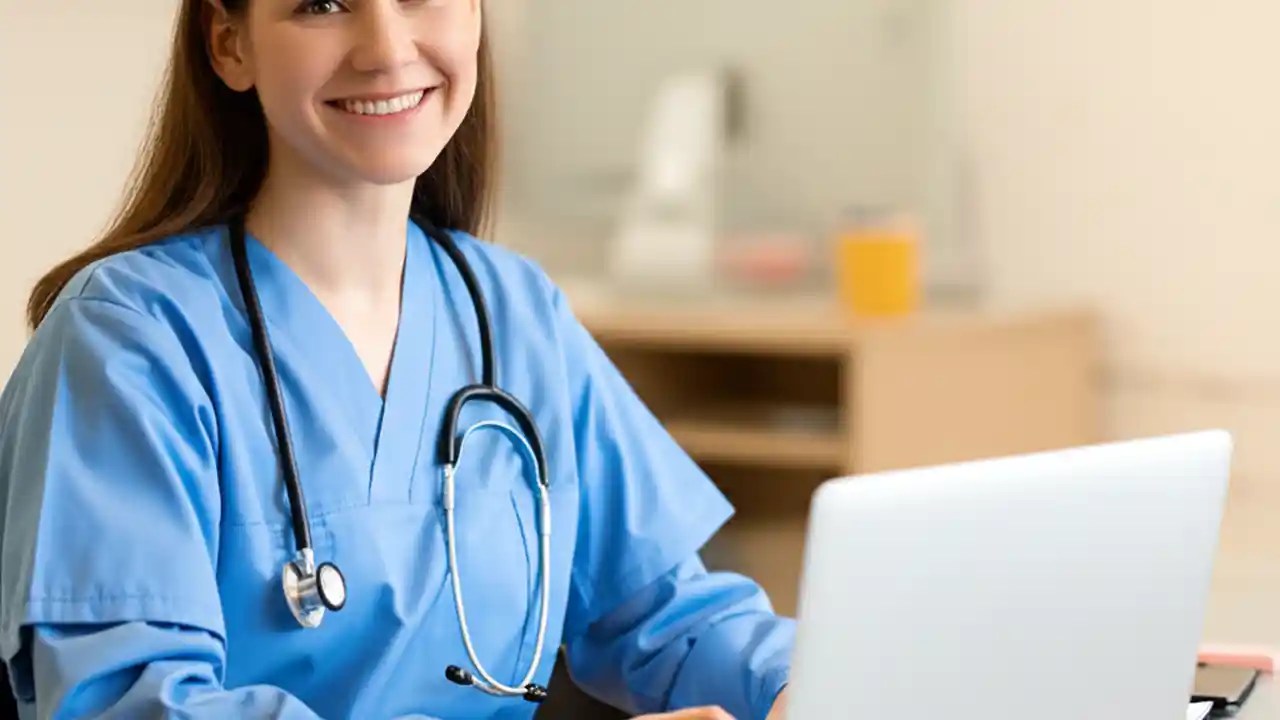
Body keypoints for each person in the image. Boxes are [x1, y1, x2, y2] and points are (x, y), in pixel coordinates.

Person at [0, 1, 794, 718]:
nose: (385, 47)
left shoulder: (516, 315)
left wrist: (804, 687)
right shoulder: (130, 338)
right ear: (229, 43)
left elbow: (668, 616)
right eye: (322, 4)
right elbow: (131, 703)